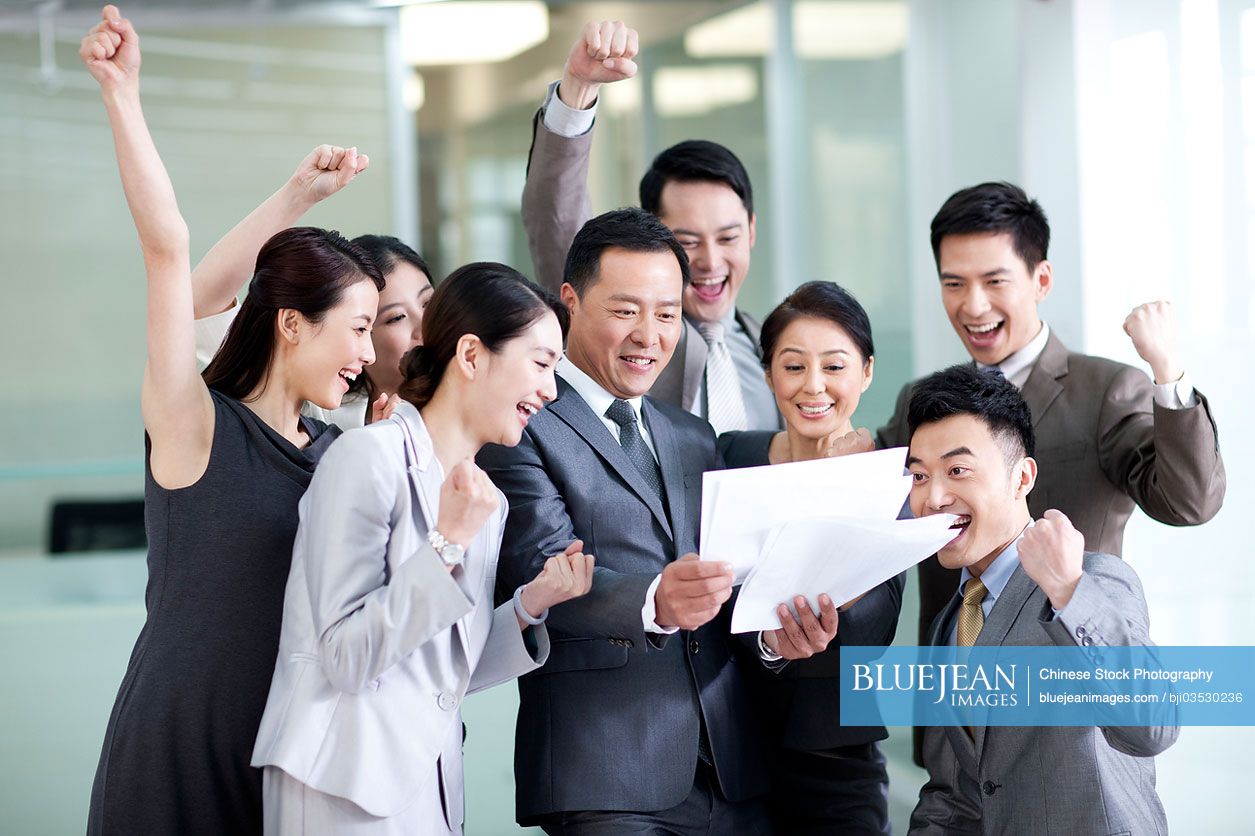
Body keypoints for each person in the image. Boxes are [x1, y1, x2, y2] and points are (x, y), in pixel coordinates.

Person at [80, 8, 382, 834]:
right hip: (179, 741)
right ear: (291, 323)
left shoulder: (339, 452)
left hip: (291, 745)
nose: (367, 351)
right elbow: (175, 260)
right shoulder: (196, 425)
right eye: (357, 328)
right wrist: (122, 93)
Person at [479, 207, 818, 833]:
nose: (649, 334)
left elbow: (726, 586)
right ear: (570, 303)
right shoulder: (519, 422)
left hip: (730, 772)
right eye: (624, 310)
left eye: (666, 314)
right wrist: (656, 599)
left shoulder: (692, 436)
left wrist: (775, 640)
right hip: (604, 771)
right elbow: (540, 573)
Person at [252, 263, 592, 834]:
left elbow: (438, 669)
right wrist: (446, 543)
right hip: (342, 783)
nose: (551, 390)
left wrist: (531, 605)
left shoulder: (485, 499)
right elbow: (347, 656)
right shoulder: (366, 459)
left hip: (428, 789)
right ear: (471, 355)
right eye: (540, 363)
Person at [876, 181, 1226, 650]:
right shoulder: (919, 403)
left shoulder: (1105, 391)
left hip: (1063, 676)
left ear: (1041, 280)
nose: (973, 305)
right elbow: (868, 517)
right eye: (954, 283)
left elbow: (1190, 502)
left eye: (995, 281)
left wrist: (1167, 369)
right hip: (952, 688)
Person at [904, 364, 1176, 834]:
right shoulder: (948, 624)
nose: (934, 497)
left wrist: (1069, 592)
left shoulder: (1095, 579)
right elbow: (955, 794)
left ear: (1022, 478)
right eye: (920, 476)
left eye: (957, 470)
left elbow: (1152, 728)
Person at [521, 20, 781, 434]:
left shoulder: (773, 346)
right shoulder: (631, 338)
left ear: (751, 230)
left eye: (728, 237)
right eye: (688, 242)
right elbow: (556, 216)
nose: (709, 261)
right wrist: (578, 91)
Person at [722, 281, 902, 834]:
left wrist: (844, 489)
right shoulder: (731, 455)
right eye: (794, 366)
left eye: (835, 366)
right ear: (770, 373)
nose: (814, 386)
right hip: (730, 756)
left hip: (837, 768)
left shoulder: (886, 474)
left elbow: (876, 623)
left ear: (866, 372)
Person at [191, 149, 436, 429]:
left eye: (429, 303)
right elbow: (201, 303)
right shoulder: (316, 409)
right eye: (395, 318)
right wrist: (297, 195)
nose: (424, 327)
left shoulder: (473, 391)